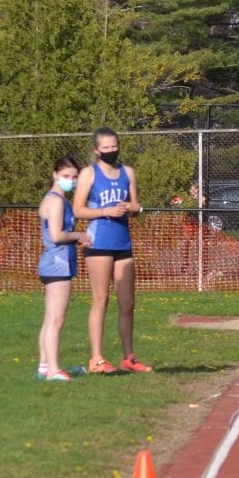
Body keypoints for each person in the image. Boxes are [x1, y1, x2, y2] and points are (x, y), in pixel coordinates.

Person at [73, 127, 152, 374]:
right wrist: (105, 211)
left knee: (127, 303)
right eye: (105, 148)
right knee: (101, 299)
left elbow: (136, 206)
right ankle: (96, 358)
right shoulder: (89, 174)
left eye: (114, 146)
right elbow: (78, 209)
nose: (111, 151)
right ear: (96, 150)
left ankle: (129, 357)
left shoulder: (127, 172)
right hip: (99, 242)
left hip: (122, 242)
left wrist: (134, 207)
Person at [37, 157, 91, 381]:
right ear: (55, 175)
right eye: (66, 176)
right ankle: (53, 370)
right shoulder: (56, 201)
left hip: (60, 263)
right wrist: (79, 236)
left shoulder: (60, 200)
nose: (71, 181)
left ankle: (45, 366)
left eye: (74, 177)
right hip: (56, 264)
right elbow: (57, 235)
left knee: (51, 318)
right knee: (56, 319)